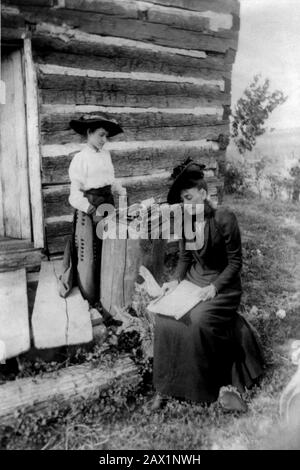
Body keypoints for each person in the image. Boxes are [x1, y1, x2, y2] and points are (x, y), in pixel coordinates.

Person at [151, 159, 264, 411]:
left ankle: (201, 390)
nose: (187, 205)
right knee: (164, 319)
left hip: (223, 285)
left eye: (190, 198)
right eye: (183, 200)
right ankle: (165, 387)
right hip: (193, 280)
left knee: (198, 321)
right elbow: (185, 257)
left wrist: (214, 288)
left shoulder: (224, 218)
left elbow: (235, 263)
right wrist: (175, 282)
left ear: (204, 193)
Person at [59, 114, 126, 327]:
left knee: (109, 250)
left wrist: (118, 189)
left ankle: (109, 298)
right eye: (100, 135)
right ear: (88, 134)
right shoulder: (80, 158)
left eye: (106, 136)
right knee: (90, 255)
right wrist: (90, 209)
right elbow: (74, 195)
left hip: (107, 205)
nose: (103, 139)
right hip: (89, 209)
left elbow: (109, 180)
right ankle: (91, 300)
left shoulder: (106, 155)